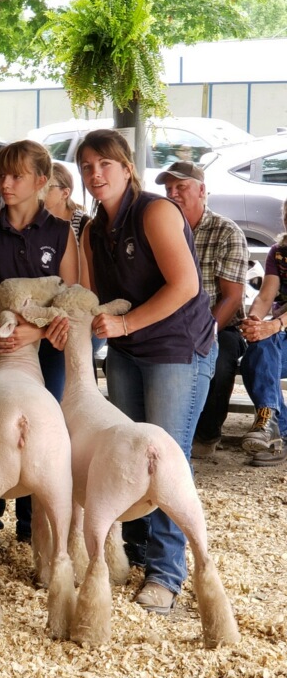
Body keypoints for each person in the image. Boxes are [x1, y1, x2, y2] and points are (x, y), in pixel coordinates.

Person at [77, 129, 217, 616]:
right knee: (130, 450)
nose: (96, 174)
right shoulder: (93, 230)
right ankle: (136, 550)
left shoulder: (157, 211)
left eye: (105, 164)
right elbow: (89, 294)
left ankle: (167, 572)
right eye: (87, 166)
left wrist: (124, 323)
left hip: (178, 347)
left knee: (166, 453)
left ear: (127, 167)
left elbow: (185, 285)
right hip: (127, 349)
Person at [0, 140, 77, 547]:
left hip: (48, 354)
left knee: (43, 437)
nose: (6, 184)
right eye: (2, 175)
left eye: (16, 176)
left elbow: (70, 299)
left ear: (41, 181)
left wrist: (40, 332)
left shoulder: (61, 233)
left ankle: (35, 530)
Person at [155, 159, 248, 458]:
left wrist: (204, 332)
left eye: (181, 187)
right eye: (169, 188)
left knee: (219, 362)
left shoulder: (226, 231)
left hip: (219, 323)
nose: (173, 194)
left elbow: (232, 298)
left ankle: (207, 436)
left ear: (202, 190)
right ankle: (157, 432)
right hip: (167, 322)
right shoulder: (160, 228)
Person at [237, 199, 287, 466]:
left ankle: (275, 429)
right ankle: (271, 426)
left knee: (258, 356)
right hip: (282, 335)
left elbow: (276, 323)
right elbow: (266, 296)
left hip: (282, 328)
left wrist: (274, 325)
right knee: (258, 349)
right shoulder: (279, 252)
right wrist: (255, 321)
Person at [43, 161, 91, 244]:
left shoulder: (84, 224)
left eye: (47, 187)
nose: (39, 192)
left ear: (65, 193)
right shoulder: (33, 219)